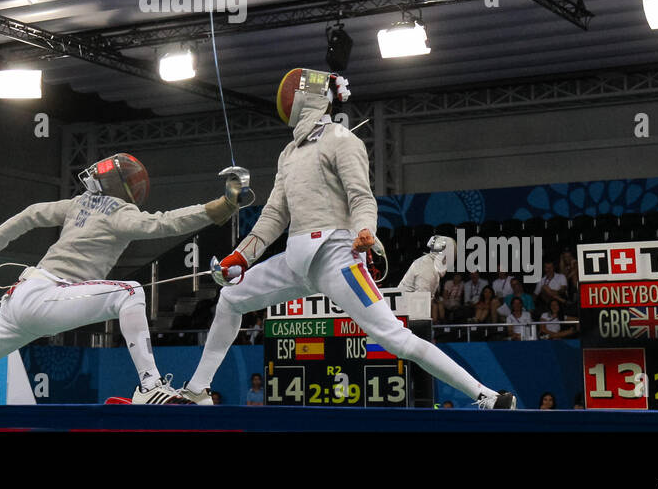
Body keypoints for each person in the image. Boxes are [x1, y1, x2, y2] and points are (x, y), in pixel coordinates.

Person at [177, 68, 514, 410]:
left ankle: (485, 395)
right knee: (231, 297)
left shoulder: (341, 139)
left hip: (339, 257)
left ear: (309, 97)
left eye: (293, 92)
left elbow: (362, 198)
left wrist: (365, 229)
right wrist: (242, 257)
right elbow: (274, 215)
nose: (286, 99)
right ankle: (198, 390)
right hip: (295, 261)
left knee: (394, 338)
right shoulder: (288, 154)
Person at [0, 153, 245, 406]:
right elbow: (165, 223)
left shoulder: (78, 203)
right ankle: (149, 386)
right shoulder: (121, 213)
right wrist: (221, 205)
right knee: (130, 291)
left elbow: (33, 212)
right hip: (47, 297)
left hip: (21, 298)